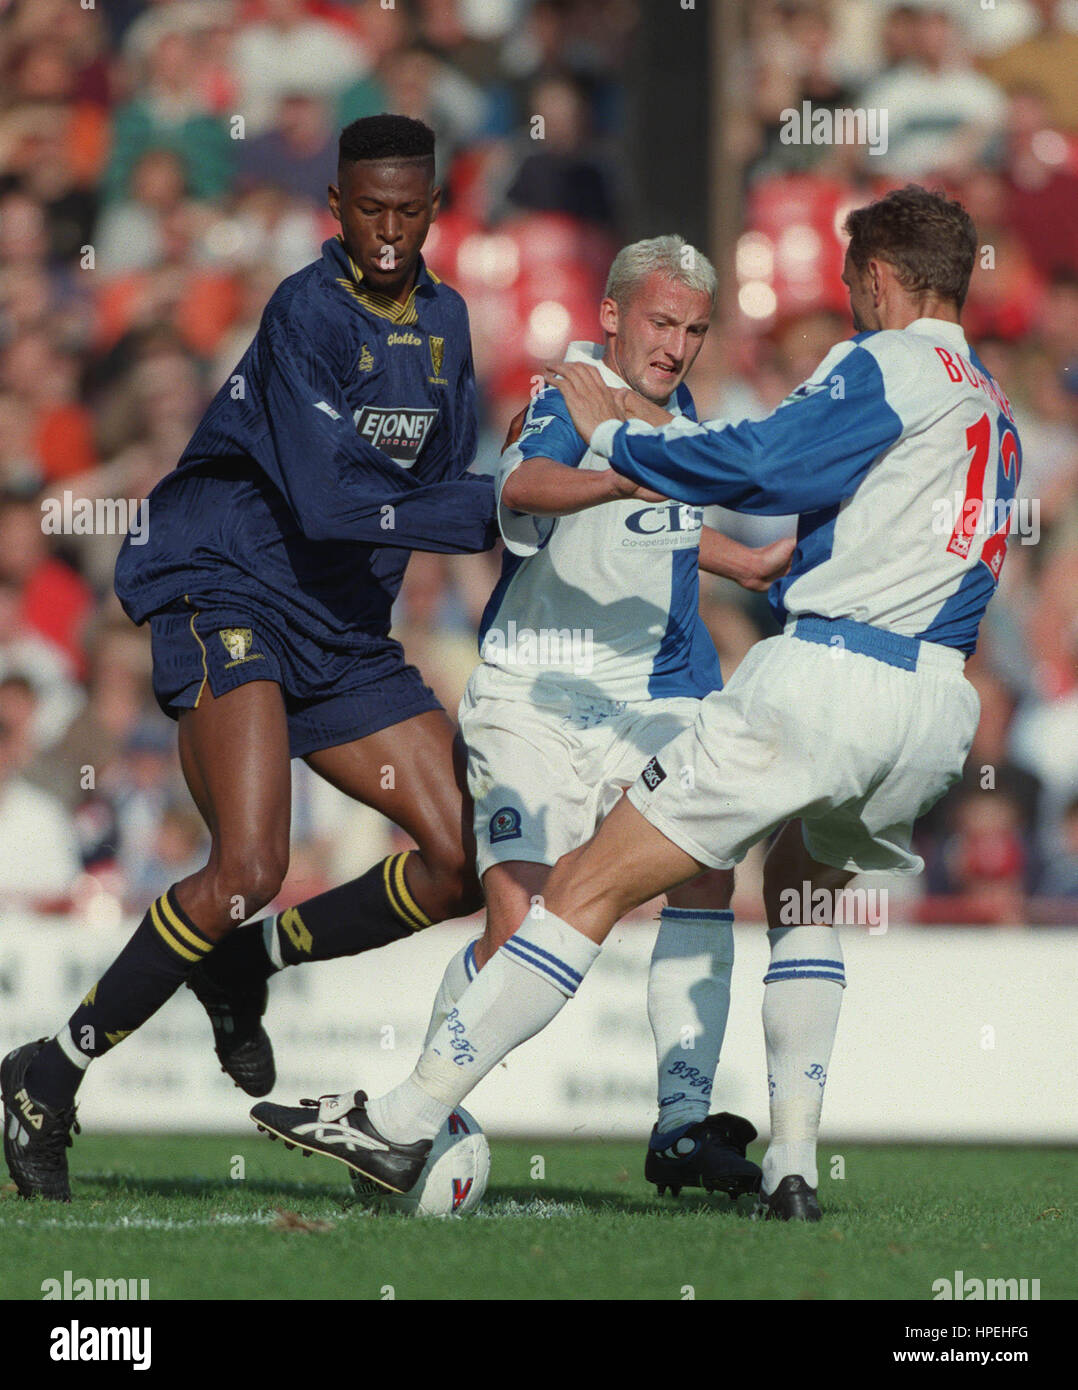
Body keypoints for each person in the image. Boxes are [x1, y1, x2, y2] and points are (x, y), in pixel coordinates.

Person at [253, 185, 1019, 1221]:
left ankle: (399, 1118)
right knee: (797, 891)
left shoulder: (879, 362)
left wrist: (620, 442)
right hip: (933, 704)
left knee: (590, 887)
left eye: (848, 288)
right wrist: (769, 562)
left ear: (880, 277)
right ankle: (791, 1164)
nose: (846, 309)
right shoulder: (989, 401)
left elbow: (758, 466)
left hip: (829, 678)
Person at [2, 114, 496, 1202]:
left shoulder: (450, 321)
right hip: (228, 584)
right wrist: (514, 501)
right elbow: (335, 499)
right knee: (248, 870)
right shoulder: (304, 311)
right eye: (369, 209)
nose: (387, 231)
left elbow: (448, 485)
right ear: (334, 206)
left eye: (409, 211)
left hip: (342, 626)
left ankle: (248, 963)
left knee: (465, 859)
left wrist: (510, 503)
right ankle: (49, 1070)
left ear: (433, 210)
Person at [419, 234, 792, 1199]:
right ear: (615, 316)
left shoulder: (675, 411)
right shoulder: (568, 394)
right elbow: (524, 487)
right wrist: (622, 469)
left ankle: (680, 1123)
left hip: (651, 694)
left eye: (696, 330)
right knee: (523, 930)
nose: (677, 346)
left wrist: (742, 562)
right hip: (537, 692)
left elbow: (660, 525)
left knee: (706, 864)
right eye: (662, 323)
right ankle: (417, 1114)